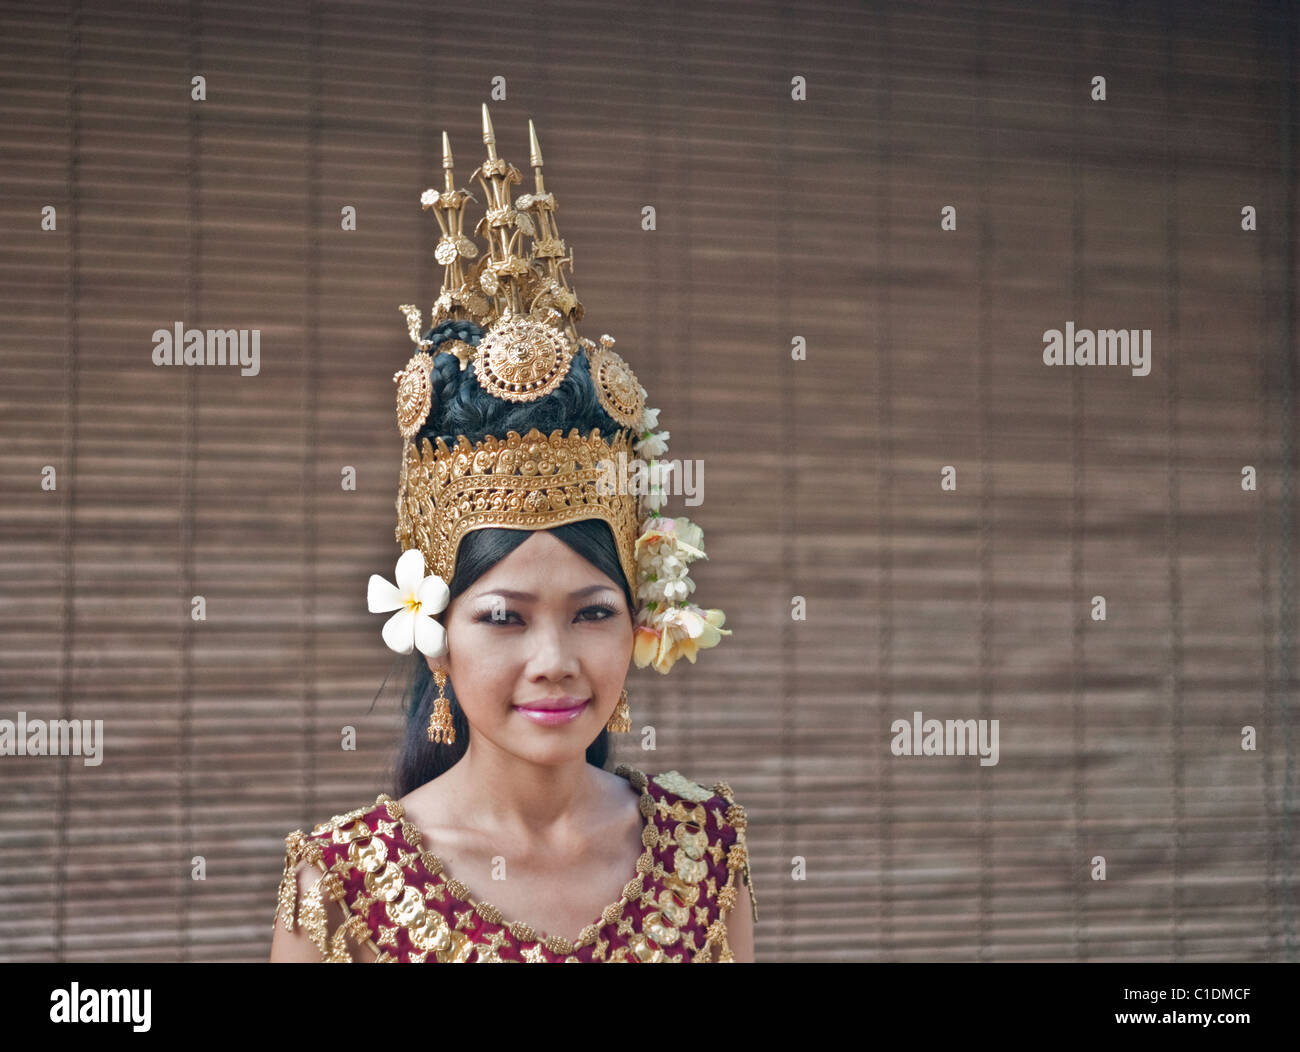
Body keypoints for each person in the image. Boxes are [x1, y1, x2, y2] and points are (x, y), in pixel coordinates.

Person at [269, 104, 756, 963]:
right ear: (436, 633)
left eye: (593, 612)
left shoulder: (704, 857)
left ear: (641, 612)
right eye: (504, 616)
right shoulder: (340, 886)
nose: (555, 659)